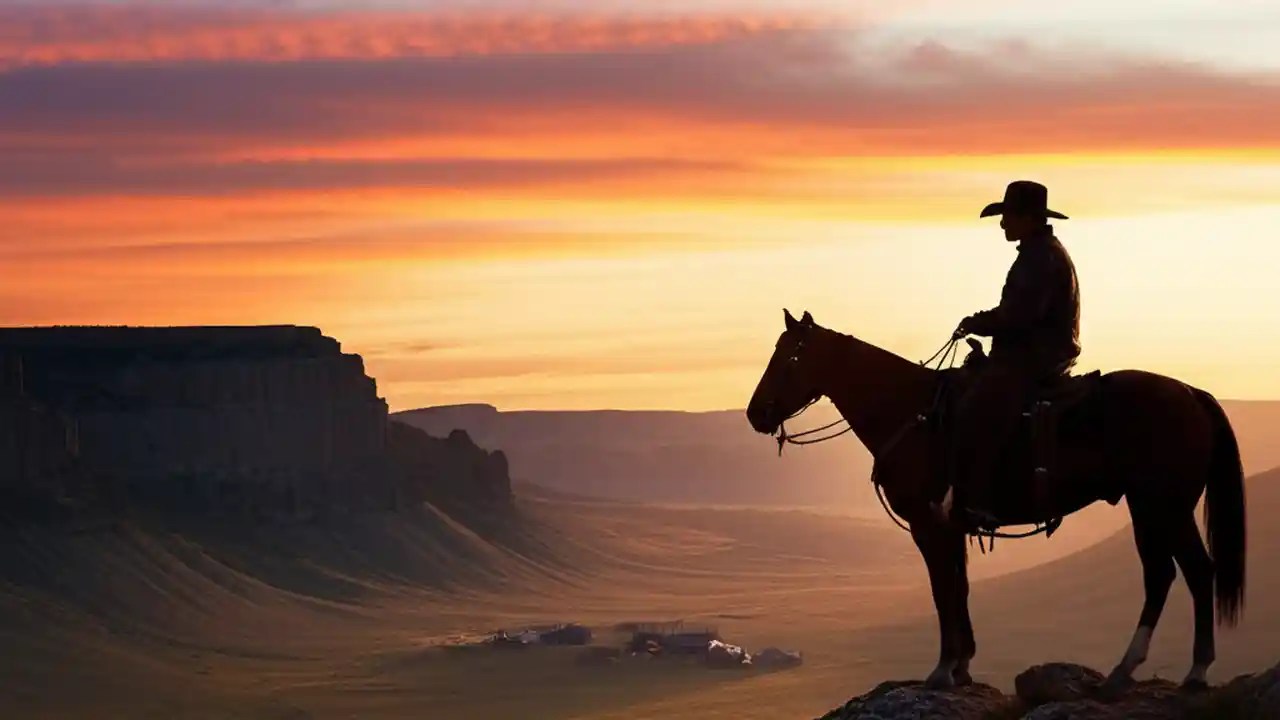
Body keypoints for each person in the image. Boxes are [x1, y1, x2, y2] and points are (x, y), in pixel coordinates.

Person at [946, 180, 1081, 530]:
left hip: (1036, 356)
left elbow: (1019, 316)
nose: (1003, 224)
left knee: (975, 408)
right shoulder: (1041, 252)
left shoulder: (1039, 258)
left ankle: (978, 501)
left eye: (1009, 216)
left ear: (1028, 218)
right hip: (1039, 352)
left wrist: (977, 323)